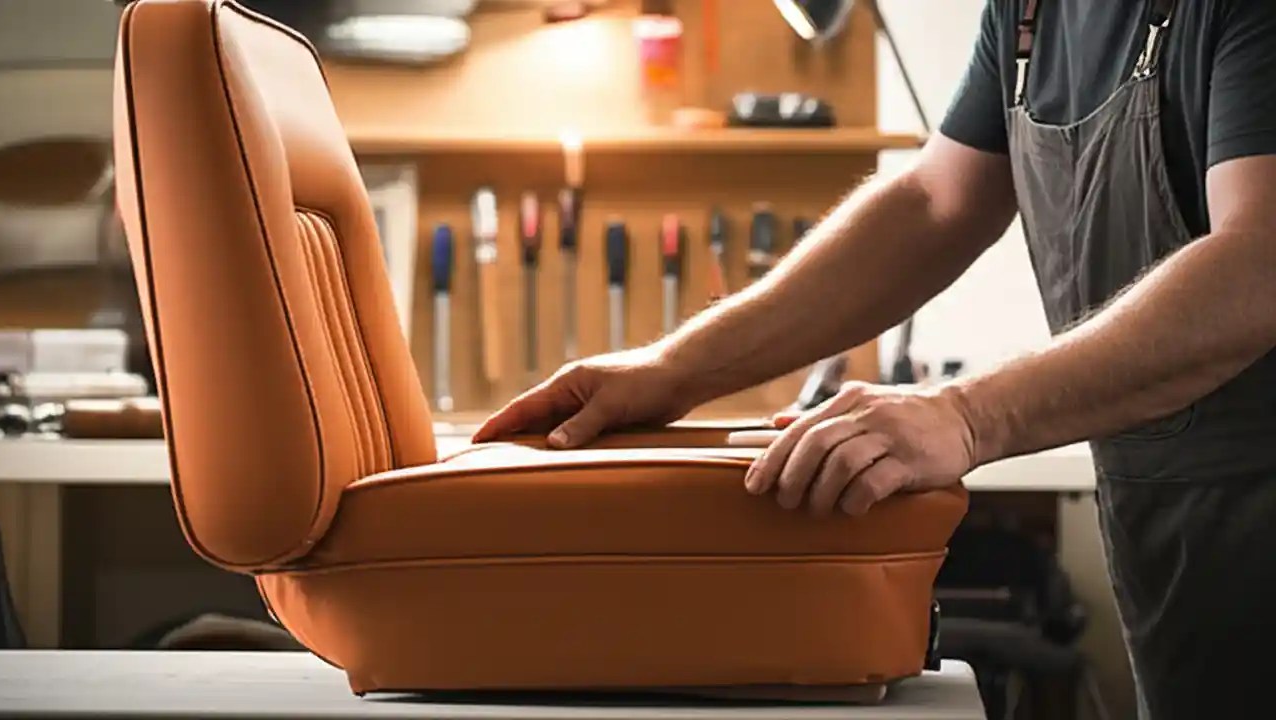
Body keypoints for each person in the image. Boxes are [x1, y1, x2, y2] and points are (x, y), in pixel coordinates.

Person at [474, 1, 1276, 717]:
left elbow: (1260, 262)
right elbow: (935, 202)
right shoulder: (1030, 13)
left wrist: (965, 414)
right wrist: (675, 369)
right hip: (1161, 530)